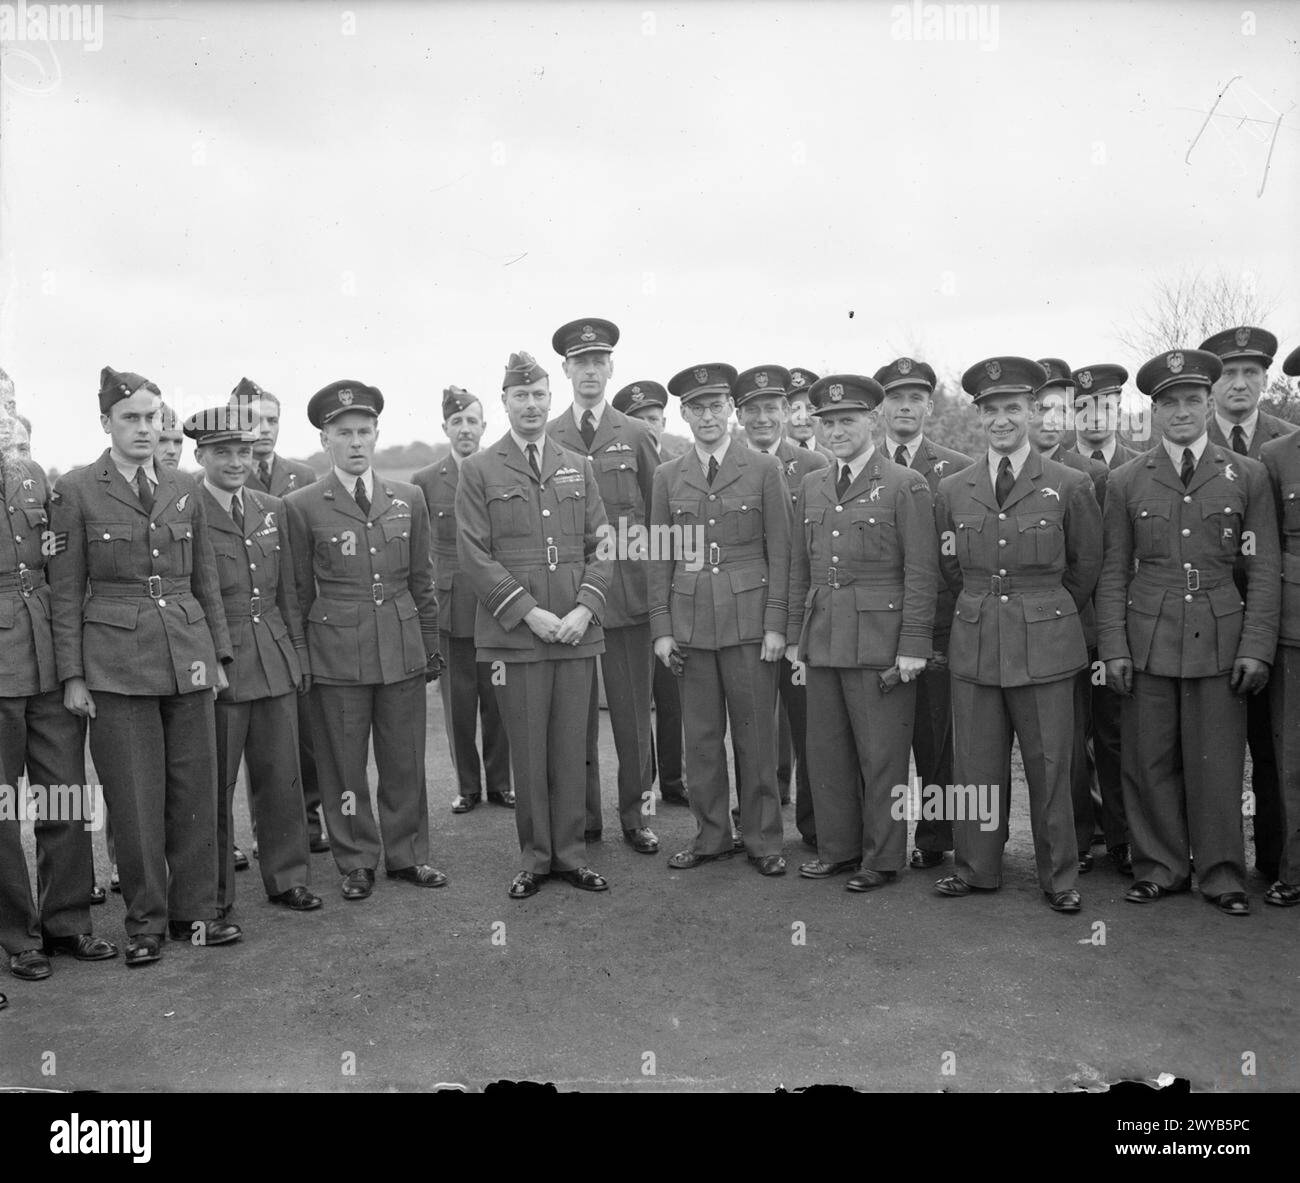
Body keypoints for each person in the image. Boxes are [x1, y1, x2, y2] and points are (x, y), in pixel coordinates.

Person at [48, 366, 239, 966]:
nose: (142, 428)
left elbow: (205, 577)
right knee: (133, 799)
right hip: (115, 661)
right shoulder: (78, 489)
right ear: (105, 422)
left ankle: (195, 914)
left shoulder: (185, 486)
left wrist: (218, 656)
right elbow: (63, 590)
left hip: (187, 656)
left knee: (194, 789)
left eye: (151, 417)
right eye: (129, 418)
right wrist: (74, 676)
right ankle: (147, 922)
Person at [1098, 347, 1279, 916]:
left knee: (1217, 760)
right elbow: (1111, 571)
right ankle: (1160, 867)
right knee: (1148, 759)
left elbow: (1265, 570)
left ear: (1208, 403)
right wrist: (1114, 647)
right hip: (1148, 636)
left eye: (1193, 400)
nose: (1182, 411)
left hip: (1221, 640)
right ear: (1153, 411)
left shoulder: (1246, 474)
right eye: (1169, 402)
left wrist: (1256, 647)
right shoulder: (1127, 479)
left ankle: (1223, 873)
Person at [932, 357, 1102, 913]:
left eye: (1012, 408)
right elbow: (951, 567)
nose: (1001, 420)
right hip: (977, 639)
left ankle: (1059, 876)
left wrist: (1044, 613)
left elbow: (1085, 568)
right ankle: (977, 867)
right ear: (979, 416)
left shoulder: (1070, 485)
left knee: (1051, 761)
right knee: (976, 762)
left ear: (1032, 411)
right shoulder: (955, 488)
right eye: (991, 411)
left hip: (1046, 642)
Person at [456, 350, 612, 900]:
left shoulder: (579, 465)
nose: (530, 404)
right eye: (520, 396)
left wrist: (584, 608)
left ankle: (571, 855)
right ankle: (535, 857)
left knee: (573, 746)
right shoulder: (479, 470)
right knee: (528, 748)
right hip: (517, 638)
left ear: (552, 399)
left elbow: (603, 544)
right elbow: (474, 555)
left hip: (574, 631)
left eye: (539, 394)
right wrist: (530, 612)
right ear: (504, 402)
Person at [284, 380, 446, 901]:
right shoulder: (302, 505)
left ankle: (408, 855)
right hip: (336, 654)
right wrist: (304, 659)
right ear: (325, 439)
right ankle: (355, 859)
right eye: (343, 433)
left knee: (404, 761)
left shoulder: (409, 497)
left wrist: (428, 647)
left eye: (364, 431)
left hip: (400, 648)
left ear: (377, 435)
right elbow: (296, 591)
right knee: (344, 766)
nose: (355, 442)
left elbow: (422, 581)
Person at [788, 374, 938, 892]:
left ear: (871, 421)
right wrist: (794, 639)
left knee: (882, 755)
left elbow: (922, 571)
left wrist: (915, 644)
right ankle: (838, 849)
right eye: (826, 422)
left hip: (881, 638)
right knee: (827, 751)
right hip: (824, 633)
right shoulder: (812, 484)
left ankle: (883, 857)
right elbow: (800, 568)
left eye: (846, 420)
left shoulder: (904, 484)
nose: (835, 431)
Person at [649, 363, 791, 877]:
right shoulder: (668, 476)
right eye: (696, 408)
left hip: (751, 624)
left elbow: (782, 552)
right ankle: (712, 836)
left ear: (731, 409)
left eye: (715, 406)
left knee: (756, 738)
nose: (707, 417)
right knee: (702, 741)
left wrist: (778, 624)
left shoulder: (762, 470)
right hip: (690, 625)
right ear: (683, 414)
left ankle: (763, 840)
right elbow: (659, 558)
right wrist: (662, 630)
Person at [185, 405, 321, 917]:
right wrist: (210, 659)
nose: (237, 461)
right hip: (221, 666)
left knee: (281, 777)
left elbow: (291, 590)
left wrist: (298, 656)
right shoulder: (188, 507)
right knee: (214, 784)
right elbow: (196, 595)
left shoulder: (271, 508)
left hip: (274, 656)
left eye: (244, 451)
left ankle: (289, 879)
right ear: (201, 456)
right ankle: (215, 895)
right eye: (224, 452)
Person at [0, 410, 117, 980]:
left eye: (9, 408)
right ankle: (18, 937)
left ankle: (67, 922)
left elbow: (59, 562)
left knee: (64, 795)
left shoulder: (33, 478)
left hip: (46, 653)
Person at [546, 319, 660, 854]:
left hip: (630, 599)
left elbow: (657, 522)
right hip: (572, 601)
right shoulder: (548, 436)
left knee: (633, 714)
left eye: (599, 362)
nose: (590, 371)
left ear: (611, 368)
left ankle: (636, 817)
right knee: (576, 713)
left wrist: (659, 600)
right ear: (566, 370)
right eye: (580, 363)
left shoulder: (635, 435)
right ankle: (585, 817)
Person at [1201, 327, 1296, 883]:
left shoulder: (1287, 443)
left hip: (1271, 613)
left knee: (1273, 741)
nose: (1239, 385)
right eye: (1229, 375)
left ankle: (1277, 861)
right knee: (1208, 743)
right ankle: (1207, 853)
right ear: (1212, 386)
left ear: (1264, 381)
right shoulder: (1181, 435)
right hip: (1204, 614)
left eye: (1250, 374)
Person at [873, 356, 973, 871]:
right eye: (895, 398)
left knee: (936, 740)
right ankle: (878, 840)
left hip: (937, 623)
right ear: (880, 407)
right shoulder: (860, 466)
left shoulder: (957, 468)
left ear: (929, 406)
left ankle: (935, 839)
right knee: (882, 739)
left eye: (915, 398)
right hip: (874, 623)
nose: (905, 407)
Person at [231, 377, 328, 854]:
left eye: (270, 420)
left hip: (301, 617)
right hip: (251, 624)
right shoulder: (228, 475)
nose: (262, 430)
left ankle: (308, 824)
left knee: (304, 737)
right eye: (251, 421)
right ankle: (258, 831)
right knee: (252, 741)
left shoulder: (302, 476)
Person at [733, 366, 826, 845]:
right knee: (753, 726)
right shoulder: (726, 467)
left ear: (788, 412)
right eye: (753, 410)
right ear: (740, 415)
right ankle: (754, 821)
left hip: (802, 621)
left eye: (772, 408)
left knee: (810, 727)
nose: (763, 418)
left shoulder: (816, 467)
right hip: (747, 616)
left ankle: (816, 827)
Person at [412, 386, 513, 814]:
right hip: (451, 606)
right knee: (458, 705)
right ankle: (468, 787)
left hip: (495, 603)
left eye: (473, 420)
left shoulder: (499, 471)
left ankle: (502, 784)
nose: (465, 429)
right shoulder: (424, 481)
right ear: (445, 428)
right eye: (457, 422)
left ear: (484, 426)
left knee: (499, 700)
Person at [1030, 360, 1111, 873]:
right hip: (1016, 628)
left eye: (1061, 408)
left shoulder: (1092, 475)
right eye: (1039, 408)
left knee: (1079, 737)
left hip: (1074, 626)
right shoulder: (989, 468)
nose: (1050, 418)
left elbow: (1092, 562)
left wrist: (1062, 612)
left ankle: (1087, 836)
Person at [1070, 363, 1139, 874]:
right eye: (1084, 406)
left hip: (1120, 624)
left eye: (1106, 405)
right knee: (1072, 736)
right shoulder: (1065, 471)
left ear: (1120, 409)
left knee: (1116, 733)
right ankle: (1080, 837)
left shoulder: (1139, 467)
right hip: (1071, 625)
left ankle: (1122, 838)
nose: (1095, 415)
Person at [610, 379, 687, 807]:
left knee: (672, 696)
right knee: (638, 703)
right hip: (627, 598)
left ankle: (675, 781)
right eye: (640, 421)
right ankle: (647, 786)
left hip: (668, 596)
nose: (650, 428)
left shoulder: (679, 470)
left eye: (655, 420)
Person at [1260, 341, 1300, 906]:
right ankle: (1292, 868)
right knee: (1291, 754)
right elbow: (1263, 553)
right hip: (1295, 623)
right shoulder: (1278, 456)